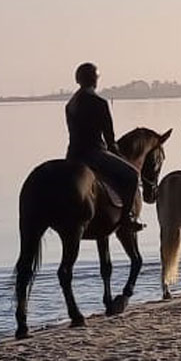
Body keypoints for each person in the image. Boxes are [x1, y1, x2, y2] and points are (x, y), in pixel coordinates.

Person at [65, 63, 146, 233]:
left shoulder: (70, 104)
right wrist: (117, 154)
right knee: (132, 175)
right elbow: (109, 139)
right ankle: (126, 220)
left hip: (73, 156)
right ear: (94, 80)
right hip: (94, 153)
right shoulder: (99, 102)